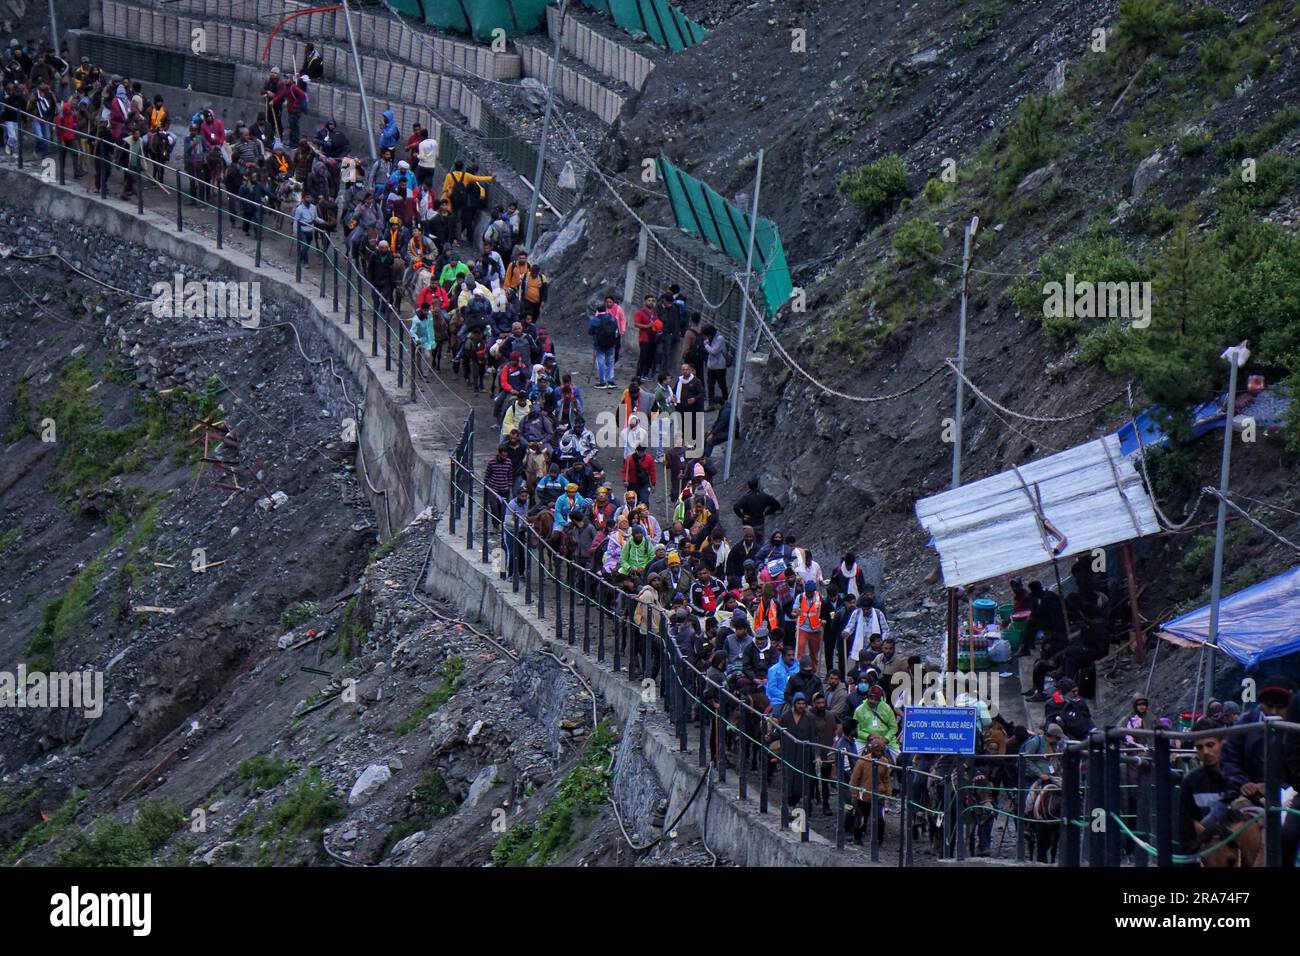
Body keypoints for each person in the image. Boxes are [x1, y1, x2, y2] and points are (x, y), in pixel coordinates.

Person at [849, 737, 893, 847]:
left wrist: (888, 795)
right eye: (876, 750)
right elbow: (854, 780)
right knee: (861, 818)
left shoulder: (884, 762)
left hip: (879, 795)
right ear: (871, 750)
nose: (879, 753)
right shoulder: (862, 762)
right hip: (864, 796)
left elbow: (886, 779)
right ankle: (857, 838)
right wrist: (854, 795)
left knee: (880, 819)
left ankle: (879, 840)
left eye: (881, 751)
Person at [853, 684, 899, 755]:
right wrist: (868, 736)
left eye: (876, 699)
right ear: (867, 697)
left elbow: (893, 727)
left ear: (880, 700)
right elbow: (855, 730)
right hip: (864, 740)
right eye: (871, 698)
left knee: (900, 759)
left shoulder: (887, 708)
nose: (873, 701)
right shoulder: (859, 710)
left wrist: (886, 739)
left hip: (885, 740)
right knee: (853, 756)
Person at [588, 303, 619, 388]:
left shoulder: (595, 319)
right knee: (610, 362)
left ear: (597, 311)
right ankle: (611, 381)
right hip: (611, 344)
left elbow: (590, 331)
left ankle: (602, 382)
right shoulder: (613, 318)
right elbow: (617, 331)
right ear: (605, 310)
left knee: (601, 362)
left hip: (599, 345)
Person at [702, 322, 730, 405]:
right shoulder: (709, 339)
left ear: (710, 334)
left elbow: (714, 351)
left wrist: (706, 345)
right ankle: (710, 403)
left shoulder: (719, 339)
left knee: (722, 384)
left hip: (719, 366)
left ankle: (725, 401)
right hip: (711, 366)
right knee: (710, 385)